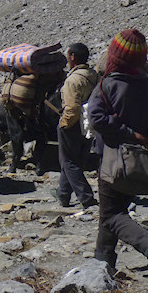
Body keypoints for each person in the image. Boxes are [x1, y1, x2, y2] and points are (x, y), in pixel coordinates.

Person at [87, 29, 148, 284]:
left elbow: (95, 118)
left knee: (111, 216)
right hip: (143, 164)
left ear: (115, 55)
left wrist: (129, 133)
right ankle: (101, 264)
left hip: (112, 162)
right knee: (113, 211)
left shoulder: (107, 85)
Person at [53, 43, 99, 208]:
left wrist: (64, 124)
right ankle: (63, 194)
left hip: (73, 125)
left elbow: (72, 108)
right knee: (74, 160)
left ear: (72, 57)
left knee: (68, 161)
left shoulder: (73, 80)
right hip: (89, 124)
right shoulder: (93, 74)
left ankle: (86, 197)